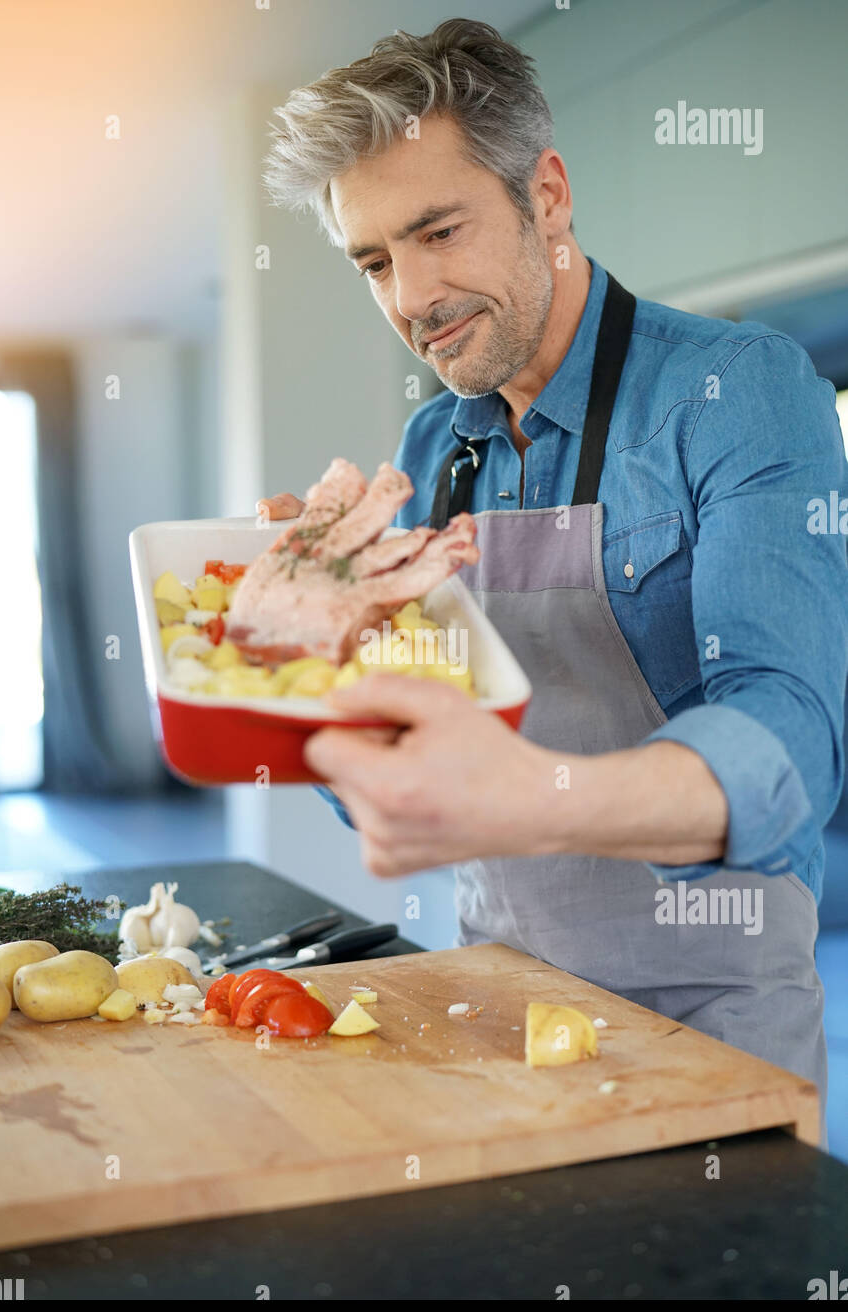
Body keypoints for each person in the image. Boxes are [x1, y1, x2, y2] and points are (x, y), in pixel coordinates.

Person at [258, 19, 848, 1133]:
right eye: (374, 260)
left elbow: (793, 744)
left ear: (551, 196)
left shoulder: (737, 389)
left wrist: (530, 798)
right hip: (500, 993)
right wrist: (307, 663)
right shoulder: (438, 448)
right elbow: (411, 745)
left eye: (440, 231)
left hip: (709, 1017)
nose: (411, 297)